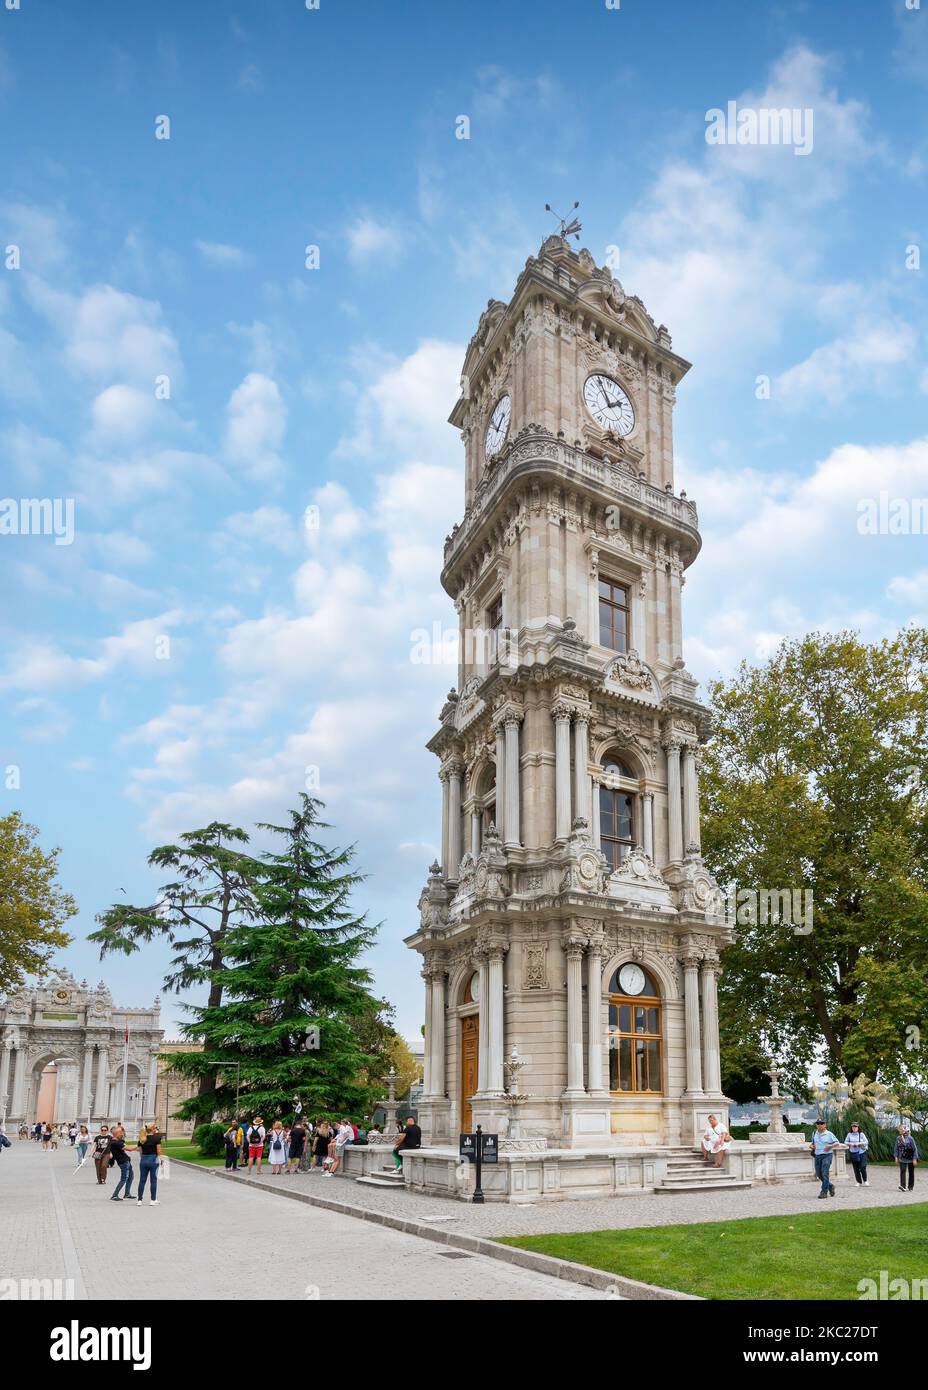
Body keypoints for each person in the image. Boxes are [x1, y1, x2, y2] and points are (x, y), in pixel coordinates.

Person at [810, 1118, 839, 1199]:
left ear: (825, 1125)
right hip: (817, 1156)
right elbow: (813, 1144)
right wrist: (811, 1146)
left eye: (821, 1123)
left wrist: (830, 1146)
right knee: (819, 1175)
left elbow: (837, 1143)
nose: (819, 1125)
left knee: (824, 1173)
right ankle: (830, 1186)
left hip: (827, 1155)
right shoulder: (814, 1133)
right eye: (818, 1123)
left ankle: (824, 1192)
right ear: (816, 1125)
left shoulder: (829, 1134)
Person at [136, 1124, 164, 1205]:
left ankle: (139, 1200)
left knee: (142, 1180)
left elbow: (140, 1152)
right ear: (153, 1129)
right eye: (155, 1128)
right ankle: (153, 1200)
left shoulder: (141, 1139)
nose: (156, 1129)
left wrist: (143, 1158)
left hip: (143, 1160)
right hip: (153, 1160)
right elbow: (158, 1151)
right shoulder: (157, 1138)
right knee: (153, 1180)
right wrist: (161, 1159)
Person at [107, 1124, 135, 1201]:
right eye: (121, 1133)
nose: (122, 1134)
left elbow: (126, 1145)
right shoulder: (115, 1142)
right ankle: (114, 1195)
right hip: (123, 1162)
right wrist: (140, 1144)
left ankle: (127, 1194)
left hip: (126, 1161)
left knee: (130, 1177)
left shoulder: (118, 1141)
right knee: (124, 1179)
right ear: (116, 1134)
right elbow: (129, 1148)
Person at [844, 1122, 869, 1186]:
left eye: (856, 1127)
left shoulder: (861, 1134)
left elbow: (866, 1142)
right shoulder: (849, 1134)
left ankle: (865, 1180)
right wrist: (851, 1144)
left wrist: (859, 1143)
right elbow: (845, 1142)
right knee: (856, 1168)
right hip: (853, 1153)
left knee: (862, 1167)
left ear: (858, 1128)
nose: (854, 1128)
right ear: (851, 1128)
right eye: (853, 1127)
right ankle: (858, 1182)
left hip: (862, 1152)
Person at [895, 1127, 919, 1192]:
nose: (901, 1131)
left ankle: (910, 1187)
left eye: (902, 1130)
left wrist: (915, 1158)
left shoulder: (910, 1138)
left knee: (911, 1172)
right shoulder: (898, 1138)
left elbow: (914, 1149)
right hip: (902, 1157)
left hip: (910, 1157)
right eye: (900, 1130)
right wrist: (896, 1157)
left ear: (905, 1131)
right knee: (902, 1171)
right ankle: (903, 1186)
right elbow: (896, 1148)